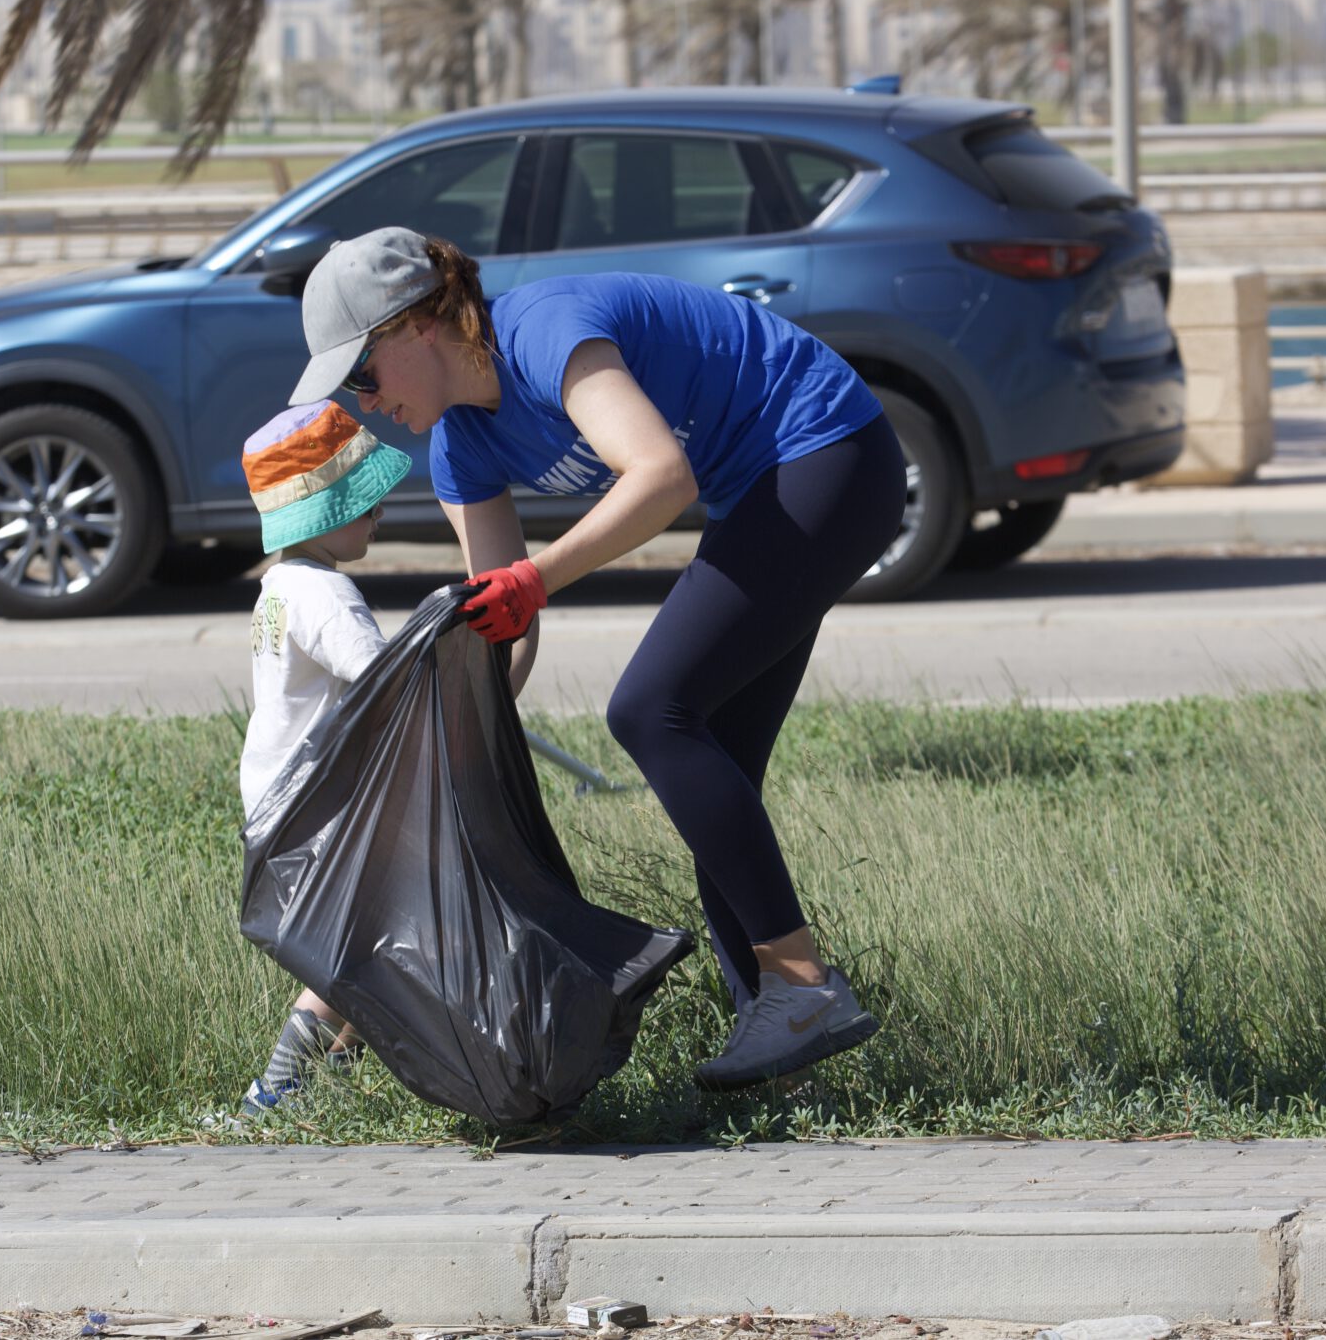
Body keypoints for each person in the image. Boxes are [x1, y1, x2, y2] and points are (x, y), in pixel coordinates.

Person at [287, 227, 908, 1092]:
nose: (364, 400)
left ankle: (801, 987)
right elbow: (501, 631)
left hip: (828, 453)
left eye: (362, 372)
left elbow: (660, 475)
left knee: (651, 709)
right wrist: (448, 750)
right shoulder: (461, 446)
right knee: (709, 763)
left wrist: (534, 579)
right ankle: (782, 1043)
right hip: (764, 491)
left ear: (419, 323)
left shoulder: (544, 332)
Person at [232, 397, 411, 1115]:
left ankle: (340, 1071)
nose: (379, 517)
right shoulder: (329, 592)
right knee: (355, 938)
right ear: (328, 512)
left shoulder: (278, 587)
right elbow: (384, 680)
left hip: (278, 799)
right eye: (368, 503)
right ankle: (276, 1086)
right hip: (319, 807)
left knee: (371, 927)